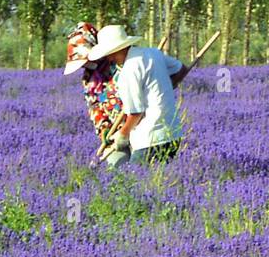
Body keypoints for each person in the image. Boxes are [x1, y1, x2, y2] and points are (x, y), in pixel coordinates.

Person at [89, 24, 192, 166]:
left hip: (150, 138)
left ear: (115, 51)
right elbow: (181, 69)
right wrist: (166, 86)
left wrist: (122, 135)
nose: (110, 59)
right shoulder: (153, 53)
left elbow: (136, 113)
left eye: (109, 54)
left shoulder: (128, 71)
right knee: (159, 184)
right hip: (172, 134)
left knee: (136, 182)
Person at [64, 22, 129, 169]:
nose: (85, 66)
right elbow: (95, 107)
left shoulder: (120, 64)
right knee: (115, 166)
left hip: (138, 129)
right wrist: (104, 129)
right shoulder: (89, 79)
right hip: (115, 136)